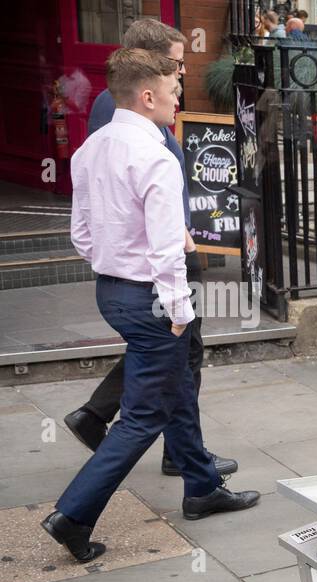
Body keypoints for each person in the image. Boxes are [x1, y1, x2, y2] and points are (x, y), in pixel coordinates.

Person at [46, 50, 260, 563]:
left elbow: (80, 235)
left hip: (111, 292)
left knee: (174, 386)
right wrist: (179, 312)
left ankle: (202, 487)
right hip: (152, 300)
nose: (178, 96)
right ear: (147, 96)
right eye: (172, 88)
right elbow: (168, 250)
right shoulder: (155, 156)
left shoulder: (89, 149)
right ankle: (72, 516)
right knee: (142, 419)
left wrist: (113, 260)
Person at [63, 19, 235, 479]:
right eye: (176, 66)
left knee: (172, 358)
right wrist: (161, 256)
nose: (181, 78)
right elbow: (113, 193)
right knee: (174, 362)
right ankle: (172, 457)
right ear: (147, 68)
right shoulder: (118, 115)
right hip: (158, 264)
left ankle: (187, 465)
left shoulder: (141, 110)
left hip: (155, 260)